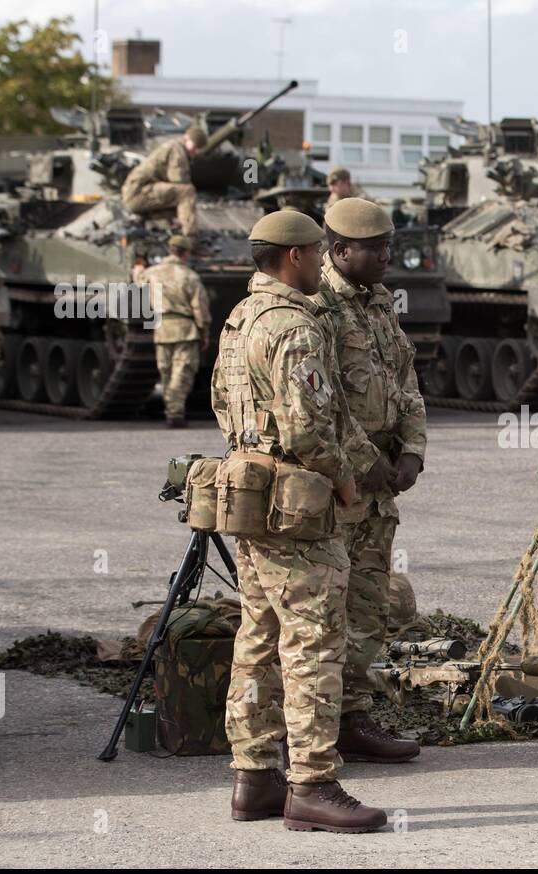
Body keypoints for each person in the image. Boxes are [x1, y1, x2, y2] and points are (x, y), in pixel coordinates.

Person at [210, 209, 386, 834]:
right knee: (313, 641)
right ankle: (312, 783)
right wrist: (344, 478)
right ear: (295, 258)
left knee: (257, 637)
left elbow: (220, 402)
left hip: (251, 498)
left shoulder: (240, 318)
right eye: (317, 253)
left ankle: (254, 778)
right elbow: (311, 427)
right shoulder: (295, 326)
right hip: (298, 507)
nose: (321, 262)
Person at [311, 196, 427, 764]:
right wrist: (362, 458)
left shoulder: (380, 303)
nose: (386, 257)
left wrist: (414, 449)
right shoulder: (317, 307)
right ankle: (311, 729)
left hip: (381, 488)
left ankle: (353, 718)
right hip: (339, 485)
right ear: (339, 250)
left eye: (388, 246)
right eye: (375, 249)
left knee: (367, 607)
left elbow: (405, 379)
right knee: (321, 613)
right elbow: (319, 398)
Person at [142, 235, 211, 428]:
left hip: (162, 328)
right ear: (186, 253)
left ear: (170, 249)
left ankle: (171, 408)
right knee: (182, 372)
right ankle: (175, 412)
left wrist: (137, 270)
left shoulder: (152, 272)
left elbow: (138, 281)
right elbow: (200, 307)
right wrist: (204, 330)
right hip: (185, 329)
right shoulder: (189, 276)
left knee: (166, 371)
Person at [121, 128, 207, 235]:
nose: (197, 151)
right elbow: (179, 180)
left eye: (199, 148)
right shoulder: (177, 150)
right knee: (187, 192)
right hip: (138, 194)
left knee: (180, 202)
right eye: (195, 147)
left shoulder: (175, 146)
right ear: (187, 138)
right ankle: (189, 237)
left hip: (137, 194)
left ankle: (157, 223)